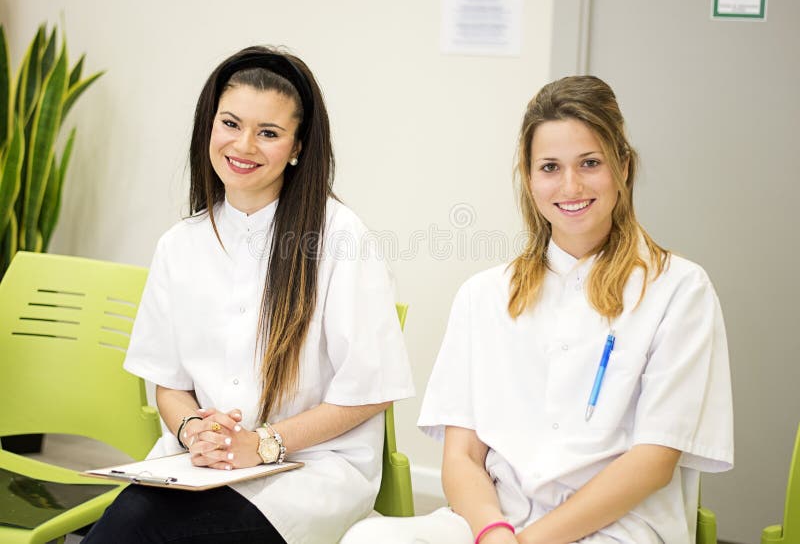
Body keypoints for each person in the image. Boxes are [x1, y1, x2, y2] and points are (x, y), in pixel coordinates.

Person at [342, 75, 733, 544]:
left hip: (619, 529)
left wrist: (528, 542)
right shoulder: (483, 295)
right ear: (529, 179)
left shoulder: (678, 289)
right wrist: (493, 531)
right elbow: (462, 456)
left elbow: (653, 461)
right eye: (550, 167)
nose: (570, 185)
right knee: (368, 540)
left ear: (623, 167)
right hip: (494, 523)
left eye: (590, 163)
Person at [84, 46, 414, 544]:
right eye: (231, 124)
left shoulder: (341, 236)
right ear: (209, 128)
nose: (244, 145)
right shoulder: (180, 244)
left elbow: (370, 392)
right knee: (125, 527)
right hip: (200, 467)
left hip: (309, 470)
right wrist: (193, 428)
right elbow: (169, 385)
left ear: (298, 146)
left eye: (269, 133)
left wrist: (264, 444)